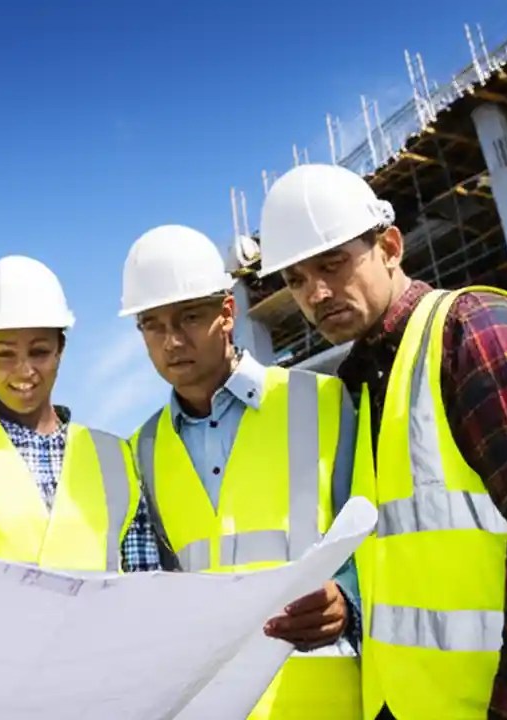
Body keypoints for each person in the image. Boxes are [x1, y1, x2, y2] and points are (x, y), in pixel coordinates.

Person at [257, 162, 507, 720]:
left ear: (390, 247)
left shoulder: (478, 330)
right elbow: (418, 566)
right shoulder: (370, 384)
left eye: (332, 263)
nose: (317, 294)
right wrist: (347, 611)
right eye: (296, 280)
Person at [120, 224, 363, 718]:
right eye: (153, 325)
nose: (172, 341)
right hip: (213, 701)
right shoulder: (140, 448)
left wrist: (350, 601)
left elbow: (383, 540)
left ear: (227, 312)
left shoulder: (322, 401)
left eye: (189, 317)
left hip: (323, 695)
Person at [0, 255, 162, 574]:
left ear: (60, 348)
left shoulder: (117, 457)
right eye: (5, 354)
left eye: (39, 352)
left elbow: (143, 587)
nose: (25, 370)